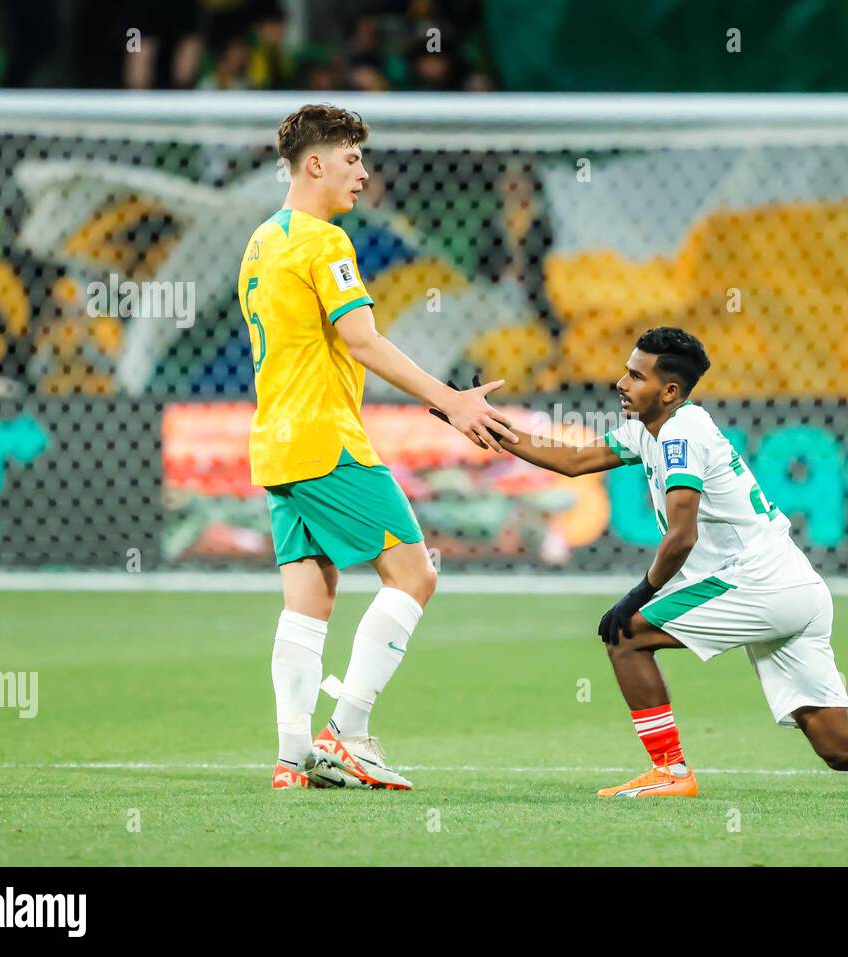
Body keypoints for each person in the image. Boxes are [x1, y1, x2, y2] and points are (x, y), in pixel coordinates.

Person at [485, 327, 848, 799]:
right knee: (841, 748)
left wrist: (636, 596)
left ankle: (672, 772)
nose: (620, 382)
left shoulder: (680, 435)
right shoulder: (655, 428)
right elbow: (575, 458)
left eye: (636, 375)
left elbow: (680, 538)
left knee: (625, 636)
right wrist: (485, 426)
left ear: (671, 389)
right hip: (793, 585)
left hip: (759, 584)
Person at [237, 103, 516, 790]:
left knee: (309, 599)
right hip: (325, 440)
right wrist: (450, 399)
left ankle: (293, 755)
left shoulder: (262, 241)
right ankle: (349, 730)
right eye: (353, 158)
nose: (364, 172)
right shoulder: (324, 242)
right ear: (315, 164)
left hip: (274, 443)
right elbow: (361, 337)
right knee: (415, 573)